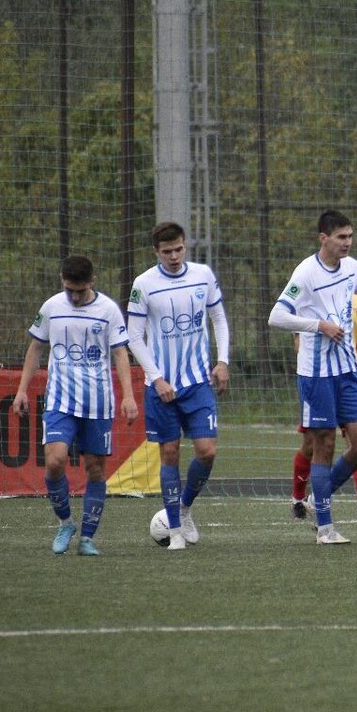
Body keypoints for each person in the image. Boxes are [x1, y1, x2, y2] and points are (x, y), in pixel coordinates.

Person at [267, 209, 357, 544]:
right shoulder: (306, 273)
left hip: (348, 370)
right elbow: (276, 316)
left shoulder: (353, 268)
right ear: (323, 239)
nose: (348, 242)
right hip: (316, 374)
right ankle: (326, 529)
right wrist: (318, 326)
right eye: (341, 237)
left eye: (350, 236)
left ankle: (320, 493)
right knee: (324, 444)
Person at [14, 255, 138, 556]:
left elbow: (121, 354)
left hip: (98, 403)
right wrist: (22, 391)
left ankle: (87, 539)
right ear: (62, 281)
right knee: (54, 461)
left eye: (80, 290)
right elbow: (35, 349)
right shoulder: (52, 307)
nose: (74, 296)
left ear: (92, 282)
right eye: (69, 289)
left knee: (95, 470)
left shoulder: (108, 310)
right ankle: (65, 522)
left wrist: (129, 395)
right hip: (60, 400)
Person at [126, 222, 231, 551]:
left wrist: (223, 361)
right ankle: (173, 532)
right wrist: (156, 378)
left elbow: (218, 319)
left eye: (179, 249)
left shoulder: (202, 275)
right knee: (169, 454)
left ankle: (184, 508)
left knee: (207, 451)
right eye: (167, 251)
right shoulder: (144, 284)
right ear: (156, 251)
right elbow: (133, 336)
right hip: (161, 389)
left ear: (185, 246)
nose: (174, 256)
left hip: (198, 383)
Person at [290, 292, 357, 521]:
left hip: (350, 379)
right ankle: (298, 498)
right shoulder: (309, 296)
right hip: (319, 378)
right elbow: (299, 341)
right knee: (312, 444)